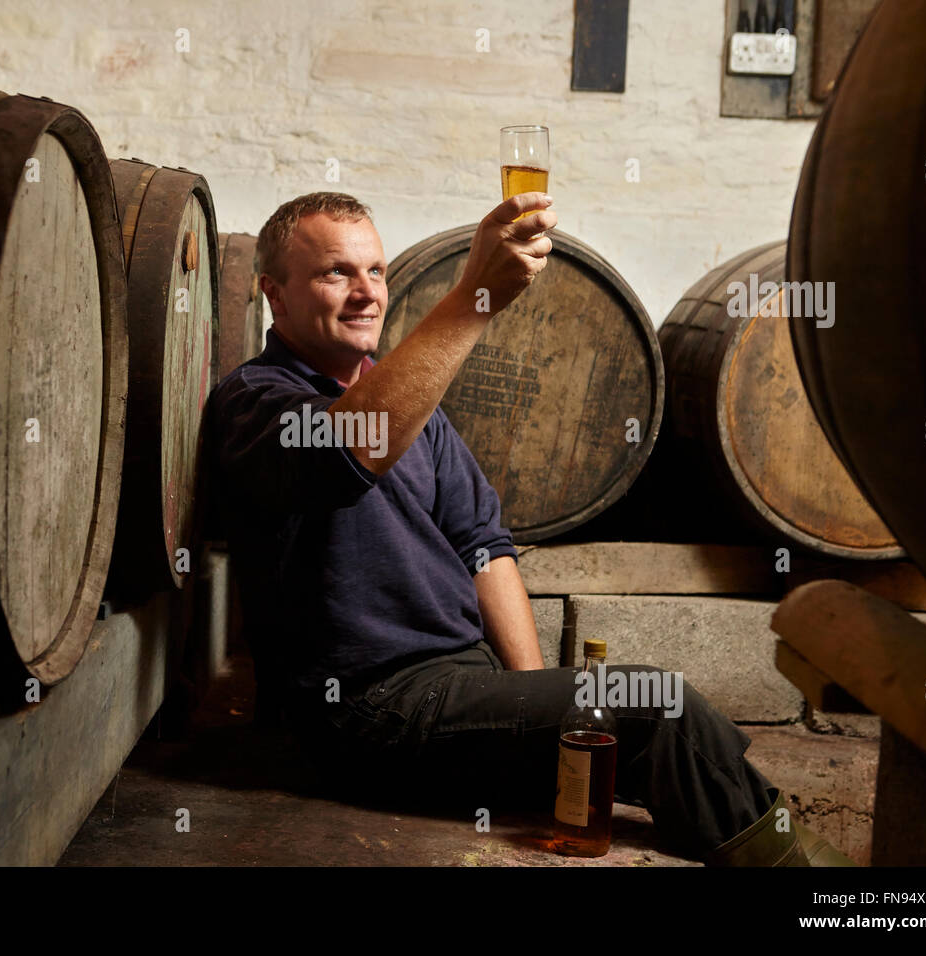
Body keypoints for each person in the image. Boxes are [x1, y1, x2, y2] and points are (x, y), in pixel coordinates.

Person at [203, 190, 853, 866]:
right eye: (336, 272)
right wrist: (472, 299)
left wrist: (537, 705)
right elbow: (350, 452)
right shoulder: (256, 403)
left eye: (376, 270)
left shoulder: (417, 411)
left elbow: (484, 548)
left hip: (459, 687)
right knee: (661, 707)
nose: (367, 292)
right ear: (275, 295)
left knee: (652, 747)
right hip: (364, 712)